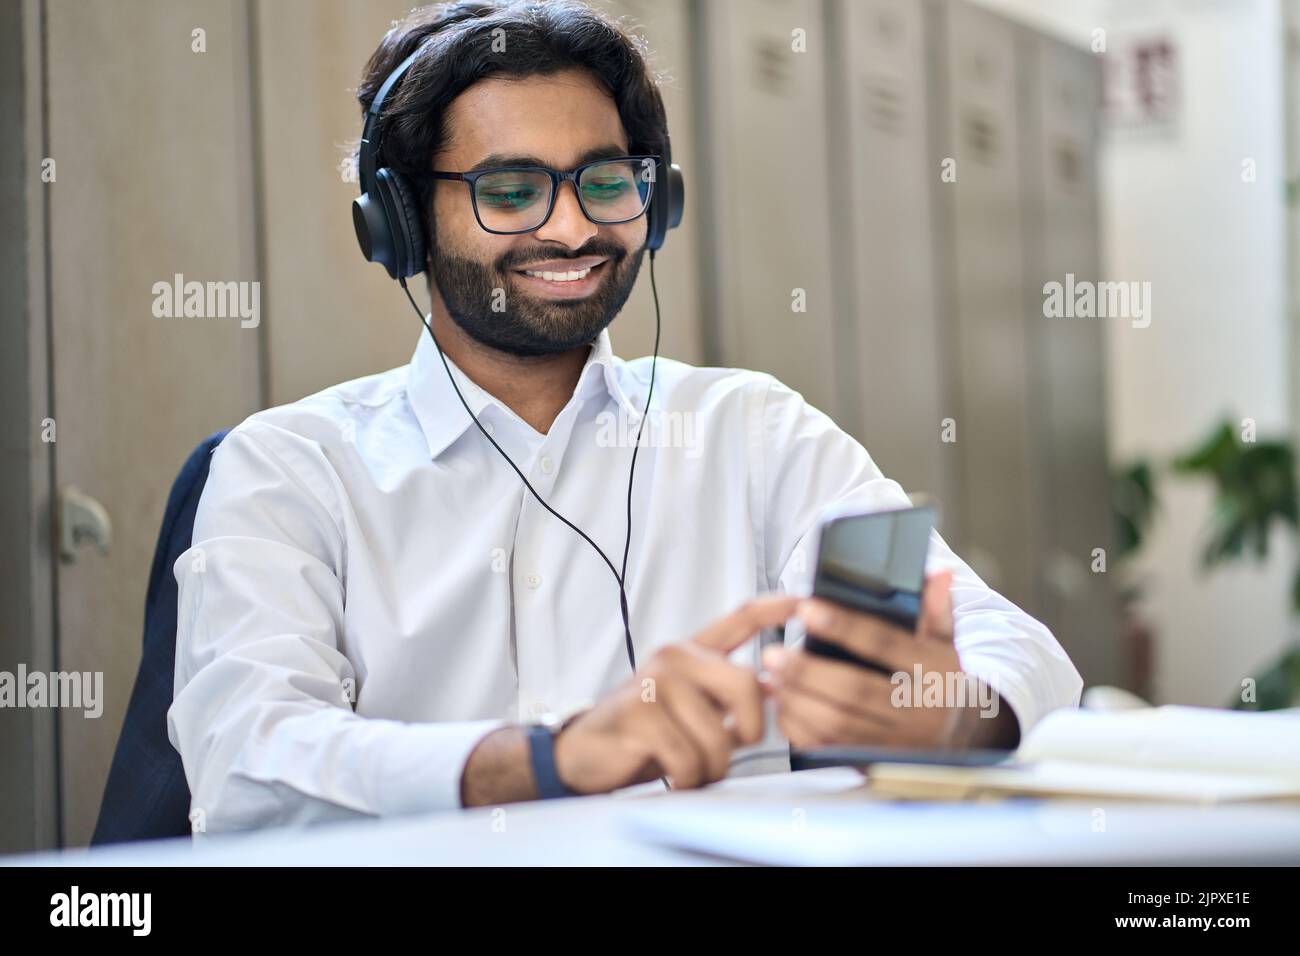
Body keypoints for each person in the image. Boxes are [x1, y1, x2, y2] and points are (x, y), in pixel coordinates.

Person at [169, 0, 1081, 832]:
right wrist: (547, 760)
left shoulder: (753, 433)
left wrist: (947, 705)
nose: (570, 231)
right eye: (511, 190)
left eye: (605, 183)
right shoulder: (288, 469)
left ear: (658, 200)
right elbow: (249, 758)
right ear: (399, 220)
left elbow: (1014, 647)